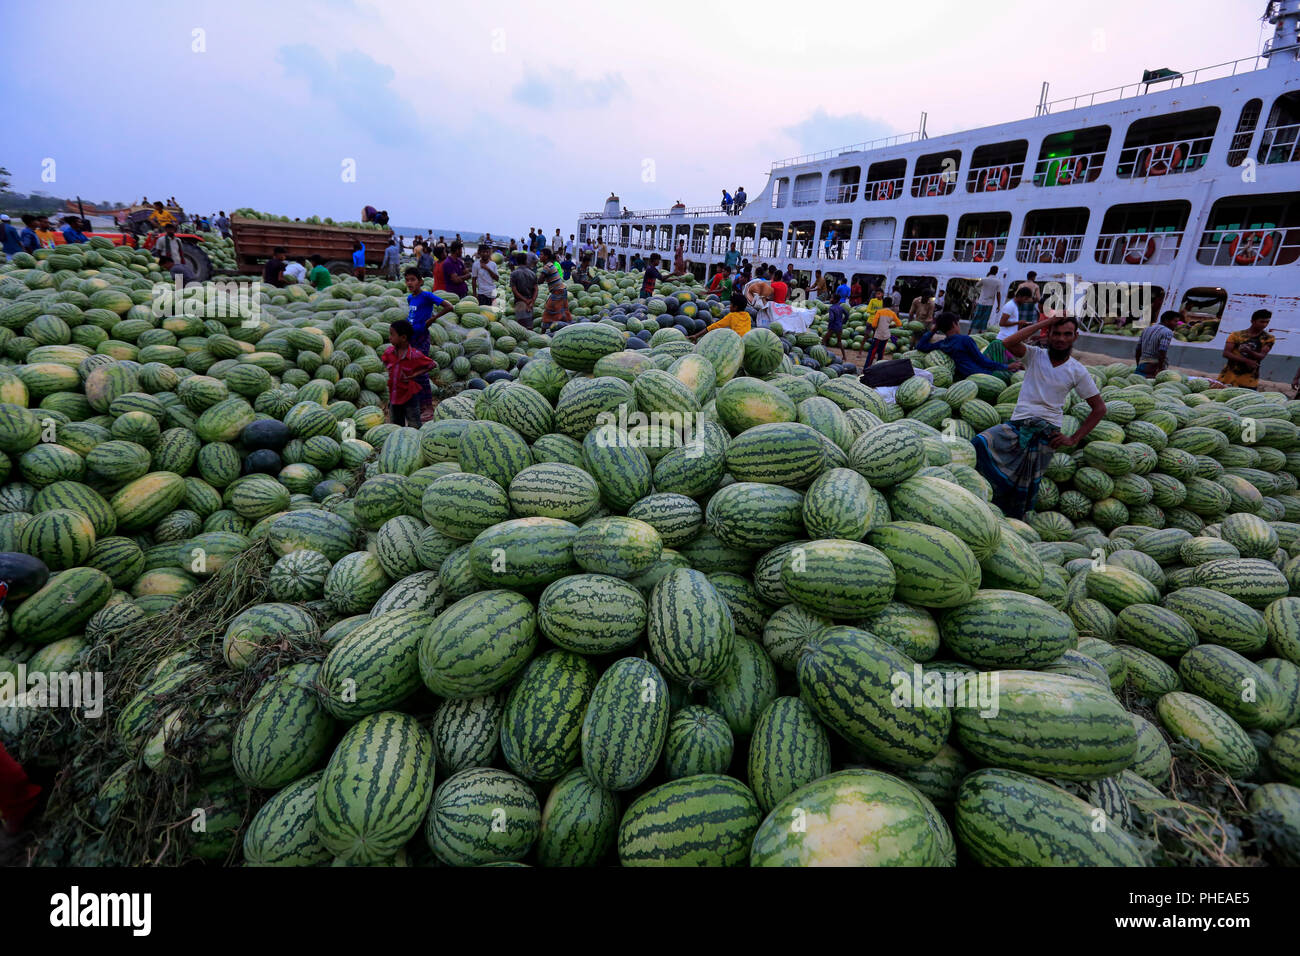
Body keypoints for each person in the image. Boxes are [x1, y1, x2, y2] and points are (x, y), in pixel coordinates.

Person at [972, 314, 1106, 518]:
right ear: (1049, 334)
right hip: (1019, 423)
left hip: (1047, 432)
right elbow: (1007, 342)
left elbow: (1099, 408)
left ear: (1075, 337)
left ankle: (1010, 520)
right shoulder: (1034, 355)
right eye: (1057, 333)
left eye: (1067, 334)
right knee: (980, 444)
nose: (1061, 339)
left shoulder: (1077, 370)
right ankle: (982, 504)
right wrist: (1046, 323)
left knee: (1024, 484)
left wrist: (1073, 438)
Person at [404, 267, 454, 408]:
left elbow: (449, 307)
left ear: (420, 281)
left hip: (422, 338)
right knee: (413, 371)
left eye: (412, 280)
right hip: (411, 338)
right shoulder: (410, 298)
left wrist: (432, 319)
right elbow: (413, 317)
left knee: (421, 373)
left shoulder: (426, 296)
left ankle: (427, 405)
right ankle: (418, 402)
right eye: (407, 280)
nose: (409, 283)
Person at [918, 312, 1020, 381]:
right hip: (981, 374)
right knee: (998, 345)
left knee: (995, 344)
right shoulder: (965, 340)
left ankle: (1014, 365)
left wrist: (933, 330)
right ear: (954, 324)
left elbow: (921, 345)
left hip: (965, 374)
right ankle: (1014, 366)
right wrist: (1006, 367)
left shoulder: (942, 344)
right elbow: (982, 361)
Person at [383, 318, 437, 427]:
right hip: (394, 396)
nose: (389, 337)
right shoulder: (389, 352)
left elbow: (432, 364)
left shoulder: (414, 355)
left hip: (410, 396)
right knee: (396, 425)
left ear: (403, 338)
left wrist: (415, 374)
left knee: (414, 424)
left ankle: (414, 439)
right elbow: (385, 361)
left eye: (392, 335)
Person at [1219, 309, 1275, 389]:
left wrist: (1249, 351)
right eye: (1262, 322)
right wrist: (1246, 360)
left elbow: (1261, 356)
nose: (1264, 325)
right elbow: (1226, 353)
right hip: (1229, 376)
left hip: (1249, 379)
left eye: (1267, 322)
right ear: (1252, 321)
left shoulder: (1268, 338)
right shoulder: (1236, 335)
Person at [988, 286, 1038, 364]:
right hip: (1003, 341)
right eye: (1025, 299)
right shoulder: (1010, 306)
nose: (1025, 302)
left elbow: (1011, 324)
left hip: (1008, 341)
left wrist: (1021, 325)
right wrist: (1018, 323)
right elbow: (1002, 323)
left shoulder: (1014, 306)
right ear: (1020, 296)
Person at [1136, 310, 1179, 378]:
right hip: (1153, 366)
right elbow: (1162, 351)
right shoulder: (1167, 332)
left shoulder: (1147, 329)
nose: (1177, 324)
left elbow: (1138, 349)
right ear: (1166, 320)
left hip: (1142, 363)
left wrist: (1138, 364)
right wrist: (1160, 368)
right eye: (1175, 321)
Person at [537, 248, 571, 329]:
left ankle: (543, 334)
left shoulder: (547, 266)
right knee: (563, 312)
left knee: (547, 312)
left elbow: (540, 280)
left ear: (546, 256)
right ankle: (569, 328)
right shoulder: (550, 265)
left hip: (558, 292)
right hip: (562, 290)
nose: (539, 256)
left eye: (541, 255)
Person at [865, 300, 900, 367]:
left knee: (872, 352)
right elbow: (899, 323)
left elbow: (874, 325)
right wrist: (889, 326)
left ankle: (866, 368)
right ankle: (878, 367)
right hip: (886, 335)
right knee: (881, 353)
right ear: (891, 305)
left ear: (883, 304)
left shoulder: (879, 312)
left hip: (878, 335)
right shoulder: (892, 313)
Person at [510, 252, 538, 329]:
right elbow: (536, 289)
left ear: (517, 261)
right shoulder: (532, 273)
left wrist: (525, 300)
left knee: (521, 327)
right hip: (530, 303)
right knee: (529, 326)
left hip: (520, 303)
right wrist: (532, 301)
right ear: (526, 261)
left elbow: (514, 290)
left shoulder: (514, 274)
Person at [970, 267, 1002, 333]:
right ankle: (980, 333)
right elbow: (998, 294)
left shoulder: (984, 279)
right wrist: (998, 305)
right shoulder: (998, 281)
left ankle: (969, 332)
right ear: (996, 272)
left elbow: (977, 285)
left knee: (976, 317)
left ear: (990, 270)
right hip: (990, 303)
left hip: (981, 302)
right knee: (985, 319)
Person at [822, 291, 847, 360]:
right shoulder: (840, 307)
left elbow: (831, 318)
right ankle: (844, 356)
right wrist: (843, 322)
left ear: (835, 300)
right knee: (839, 341)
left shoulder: (831, 308)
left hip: (832, 327)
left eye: (831, 298)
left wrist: (829, 324)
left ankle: (824, 353)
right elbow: (847, 315)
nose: (830, 299)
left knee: (824, 340)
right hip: (839, 326)